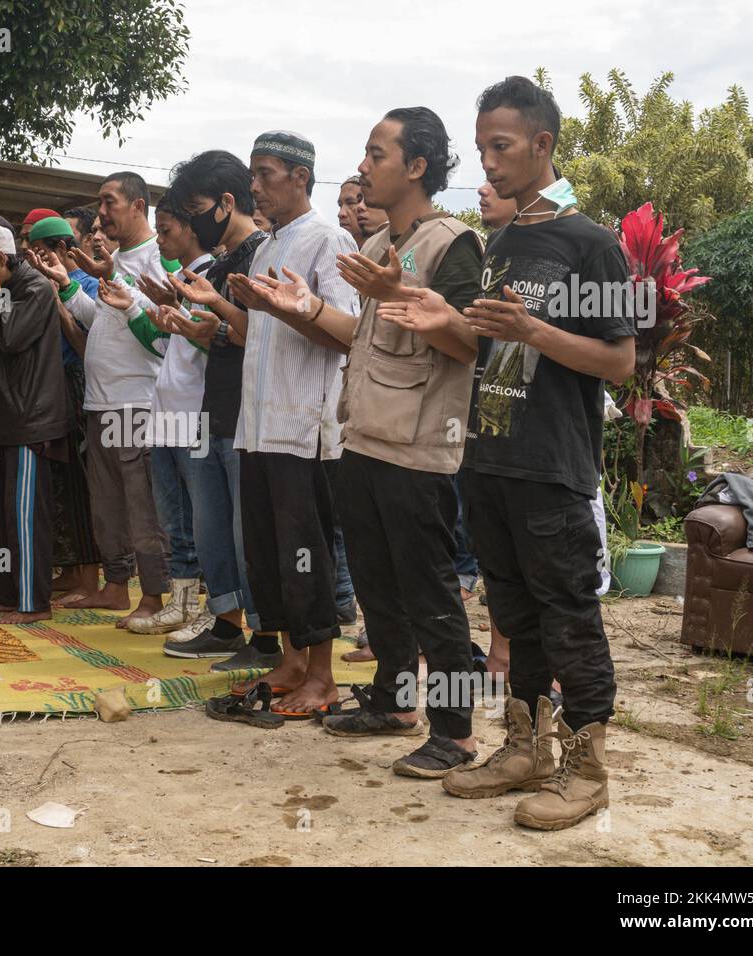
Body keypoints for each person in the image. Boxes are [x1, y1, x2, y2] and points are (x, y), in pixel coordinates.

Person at [256, 108, 485, 776]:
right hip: (364, 439)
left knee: (431, 595)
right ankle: (394, 700)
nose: (362, 166)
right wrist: (304, 308)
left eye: (376, 154)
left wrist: (402, 293)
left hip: (418, 448)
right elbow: (361, 335)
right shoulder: (381, 241)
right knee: (379, 588)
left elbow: (471, 344)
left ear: (416, 166)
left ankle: (456, 734)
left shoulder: (453, 244)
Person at [442, 76, 636, 831]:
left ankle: (587, 769)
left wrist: (535, 332)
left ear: (542, 143)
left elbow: (619, 362)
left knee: (568, 616)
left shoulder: (592, 243)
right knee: (514, 613)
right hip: (489, 455)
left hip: (552, 464)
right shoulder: (504, 240)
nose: (488, 162)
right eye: (482, 147)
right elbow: (488, 349)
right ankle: (526, 748)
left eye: (501, 146)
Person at [215, 130, 359, 717]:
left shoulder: (330, 239)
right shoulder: (266, 247)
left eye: (265, 174)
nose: (254, 186)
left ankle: (322, 676)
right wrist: (232, 307)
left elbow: (346, 334)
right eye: (252, 174)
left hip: (304, 428)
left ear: (300, 177)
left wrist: (284, 308)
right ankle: (294, 663)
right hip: (259, 423)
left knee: (306, 554)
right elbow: (260, 335)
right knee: (270, 553)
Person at [34, 172, 174, 630]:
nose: (101, 213)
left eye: (109, 202)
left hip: (137, 403)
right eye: (100, 204)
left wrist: (117, 285)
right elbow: (101, 321)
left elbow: (160, 334)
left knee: (142, 506)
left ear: (138, 206)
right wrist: (68, 286)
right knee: (107, 503)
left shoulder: (159, 259)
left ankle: (153, 595)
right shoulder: (115, 260)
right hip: (101, 401)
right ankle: (116, 585)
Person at [151, 149, 268, 658]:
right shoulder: (220, 264)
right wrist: (195, 327)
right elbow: (222, 335)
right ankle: (225, 622)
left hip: (248, 413)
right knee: (211, 527)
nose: (194, 224)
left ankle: (265, 634)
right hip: (211, 409)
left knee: (247, 533)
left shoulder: (264, 256)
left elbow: (262, 335)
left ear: (225, 203)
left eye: (196, 211)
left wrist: (216, 321)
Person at [0, 221, 70, 624]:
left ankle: (34, 603)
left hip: (30, 420)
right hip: (5, 420)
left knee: (26, 519)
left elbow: (10, 338)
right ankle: (9, 595)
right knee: (4, 519)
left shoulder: (35, 289)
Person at [117, 194, 213, 635]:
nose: (159, 239)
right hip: (166, 416)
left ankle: (216, 609)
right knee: (174, 519)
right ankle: (183, 601)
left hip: (196, 417)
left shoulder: (209, 278)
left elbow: (211, 343)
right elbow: (163, 346)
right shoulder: (181, 282)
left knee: (203, 518)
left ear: (191, 228)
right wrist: (140, 309)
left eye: (167, 229)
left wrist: (177, 308)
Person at [25, 215, 103, 604]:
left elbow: (85, 346)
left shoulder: (89, 286)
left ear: (60, 248)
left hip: (78, 384)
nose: (35, 260)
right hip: (50, 385)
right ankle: (70, 569)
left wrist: (58, 299)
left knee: (80, 482)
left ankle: (89, 576)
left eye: (39, 251)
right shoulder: (39, 286)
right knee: (59, 483)